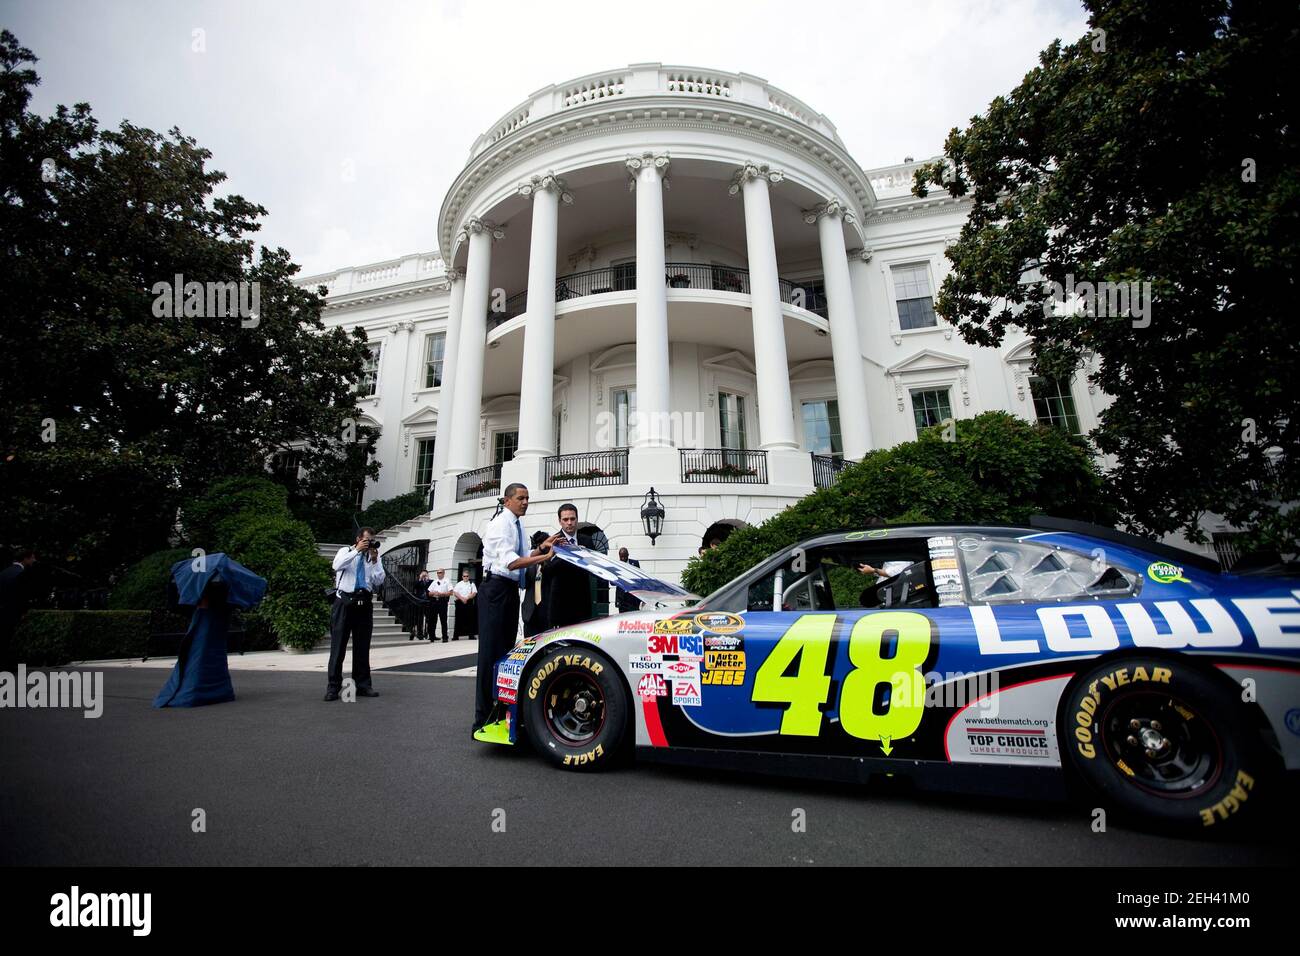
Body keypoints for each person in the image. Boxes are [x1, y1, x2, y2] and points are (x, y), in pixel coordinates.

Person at [475, 483, 560, 732]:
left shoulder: (519, 525)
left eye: (527, 498)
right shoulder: (500, 524)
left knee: (504, 652)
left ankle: (500, 713)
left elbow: (523, 556)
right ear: (507, 500)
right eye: (521, 498)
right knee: (489, 654)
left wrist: (541, 548)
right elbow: (511, 562)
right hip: (495, 590)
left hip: (510, 591)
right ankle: (482, 719)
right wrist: (544, 558)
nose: (525, 502)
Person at [325, 528, 385, 701]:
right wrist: (356, 550)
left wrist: (374, 561)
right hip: (344, 602)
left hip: (364, 603)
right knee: (338, 647)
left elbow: (379, 580)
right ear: (358, 539)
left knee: (362, 647)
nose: (370, 543)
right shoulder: (346, 551)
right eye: (367, 540)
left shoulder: (372, 557)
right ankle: (333, 687)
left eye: (372, 540)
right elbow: (336, 566)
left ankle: (363, 685)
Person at [542, 502, 594, 629]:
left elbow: (593, 569)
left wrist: (584, 555)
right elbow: (546, 571)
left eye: (572, 519)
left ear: (577, 519)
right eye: (565, 519)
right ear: (560, 521)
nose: (569, 522)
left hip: (583, 603)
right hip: (559, 605)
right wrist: (569, 553)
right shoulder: (552, 542)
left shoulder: (587, 541)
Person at [0, 548, 37, 672]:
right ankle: (8, 665)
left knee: (4, 638)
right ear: (25, 558)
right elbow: (22, 596)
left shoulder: (3, 572)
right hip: (13, 612)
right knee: (11, 639)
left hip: (3, 610)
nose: (34, 560)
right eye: (32, 557)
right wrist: (23, 612)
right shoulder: (22, 574)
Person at [521, 531, 551, 637]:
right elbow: (523, 584)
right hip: (530, 613)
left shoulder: (552, 564)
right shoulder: (529, 565)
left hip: (547, 612)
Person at [614, 546, 642, 613]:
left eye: (625, 556)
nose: (623, 559)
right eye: (621, 557)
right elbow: (613, 582)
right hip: (622, 598)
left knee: (633, 617)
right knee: (622, 618)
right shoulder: (616, 565)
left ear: (628, 555)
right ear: (619, 556)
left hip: (633, 597)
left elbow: (639, 579)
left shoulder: (635, 563)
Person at [427, 568, 452, 642]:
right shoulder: (435, 581)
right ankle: (432, 637)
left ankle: (445, 637)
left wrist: (442, 594)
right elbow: (429, 592)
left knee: (443, 620)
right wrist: (434, 593)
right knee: (432, 620)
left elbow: (451, 592)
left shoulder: (447, 581)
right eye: (437, 572)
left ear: (443, 573)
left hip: (442, 601)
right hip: (434, 601)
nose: (438, 574)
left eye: (440, 572)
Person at [452, 568, 477, 640]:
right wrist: (462, 598)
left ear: (469, 577)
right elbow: (455, 593)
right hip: (460, 602)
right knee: (458, 619)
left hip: (468, 602)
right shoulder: (459, 584)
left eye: (467, 576)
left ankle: (471, 635)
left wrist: (467, 598)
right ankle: (456, 636)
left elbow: (474, 593)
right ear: (462, 577)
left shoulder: (472, 584)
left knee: (470, 619)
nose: (466, 577)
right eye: (464, 576)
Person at [412, 570, 431, 640]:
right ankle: (420, 633)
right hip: (420, 601)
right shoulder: (418, 582)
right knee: (420, 618)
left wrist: (427, 579)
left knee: (428, 618)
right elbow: (415, 586)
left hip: (427, 601)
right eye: (423, 574)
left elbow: (431, 588)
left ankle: (427, 633)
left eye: (425, 574)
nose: (424, 576)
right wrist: (420, 578)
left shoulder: (429, 582)